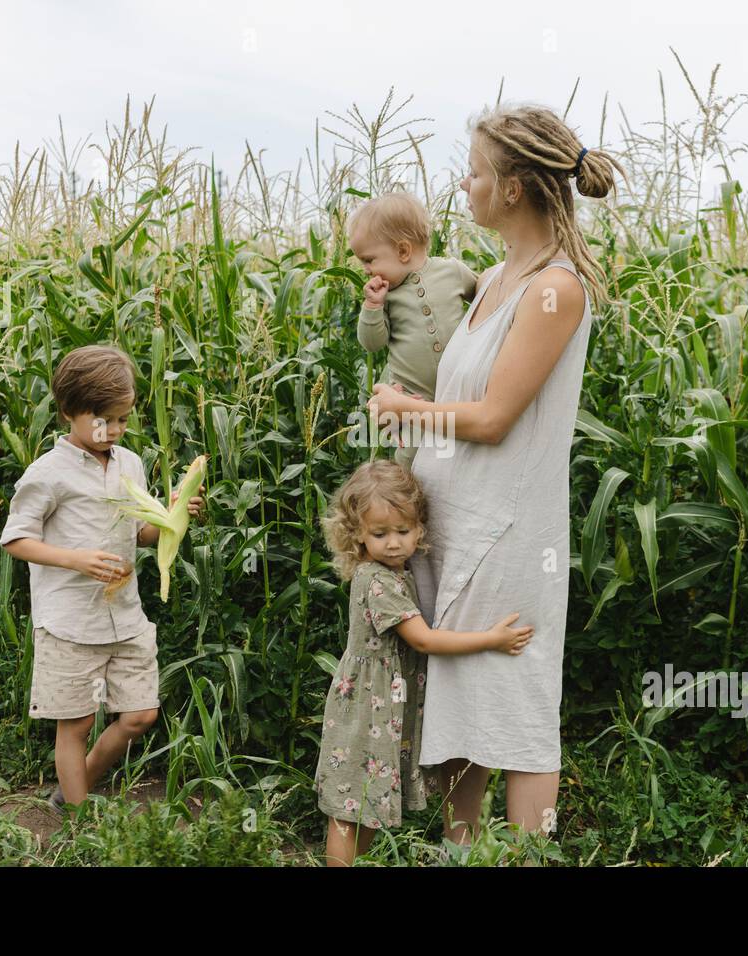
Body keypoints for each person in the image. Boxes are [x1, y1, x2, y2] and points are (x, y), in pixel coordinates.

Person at [365, 104, 624, 846]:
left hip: (506, 527)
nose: (465, 184)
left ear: (513, 188)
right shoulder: (493, 280)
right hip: (458, 516)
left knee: (517, 704)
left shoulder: (556, 288)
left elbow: (492, 417)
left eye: (475, 171)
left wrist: (406, 410)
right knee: (463, 699)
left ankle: (524, 859)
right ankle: (461, 855)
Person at [0, 344, 205, 811]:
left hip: (124, 615)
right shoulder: (48, 474)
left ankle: (73, 788)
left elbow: (144, 535)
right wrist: (76, 560)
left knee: (140, 714)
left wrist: (176, 513)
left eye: (122, 420)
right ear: (69, 410)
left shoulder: (129, 463)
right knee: (75, 726)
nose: (113, 430)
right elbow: (15, 539)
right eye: (103, 420)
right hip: (70, 621)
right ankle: (76, 822)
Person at [314, 459, 533, 865]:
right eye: (380, 534)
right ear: (357, 535)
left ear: (419, 530)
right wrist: (492, 640)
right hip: (367, 710)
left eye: (403, 531)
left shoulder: (396, 571)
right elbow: (424, 640)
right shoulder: (378, 581)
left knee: (362, 806)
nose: (393, 542)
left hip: (377, 707)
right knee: (352, 806)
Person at [350, 191, 479, 468]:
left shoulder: (452, 272)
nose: (365, 269)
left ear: (403, 251)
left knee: (463, 453)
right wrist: (373, 306)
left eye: (369, 260)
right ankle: (409, 498)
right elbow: (373, 343)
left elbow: (486, 301)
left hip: (460, 390)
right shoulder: (385, 296)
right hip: (409, 396)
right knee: (413, 456)